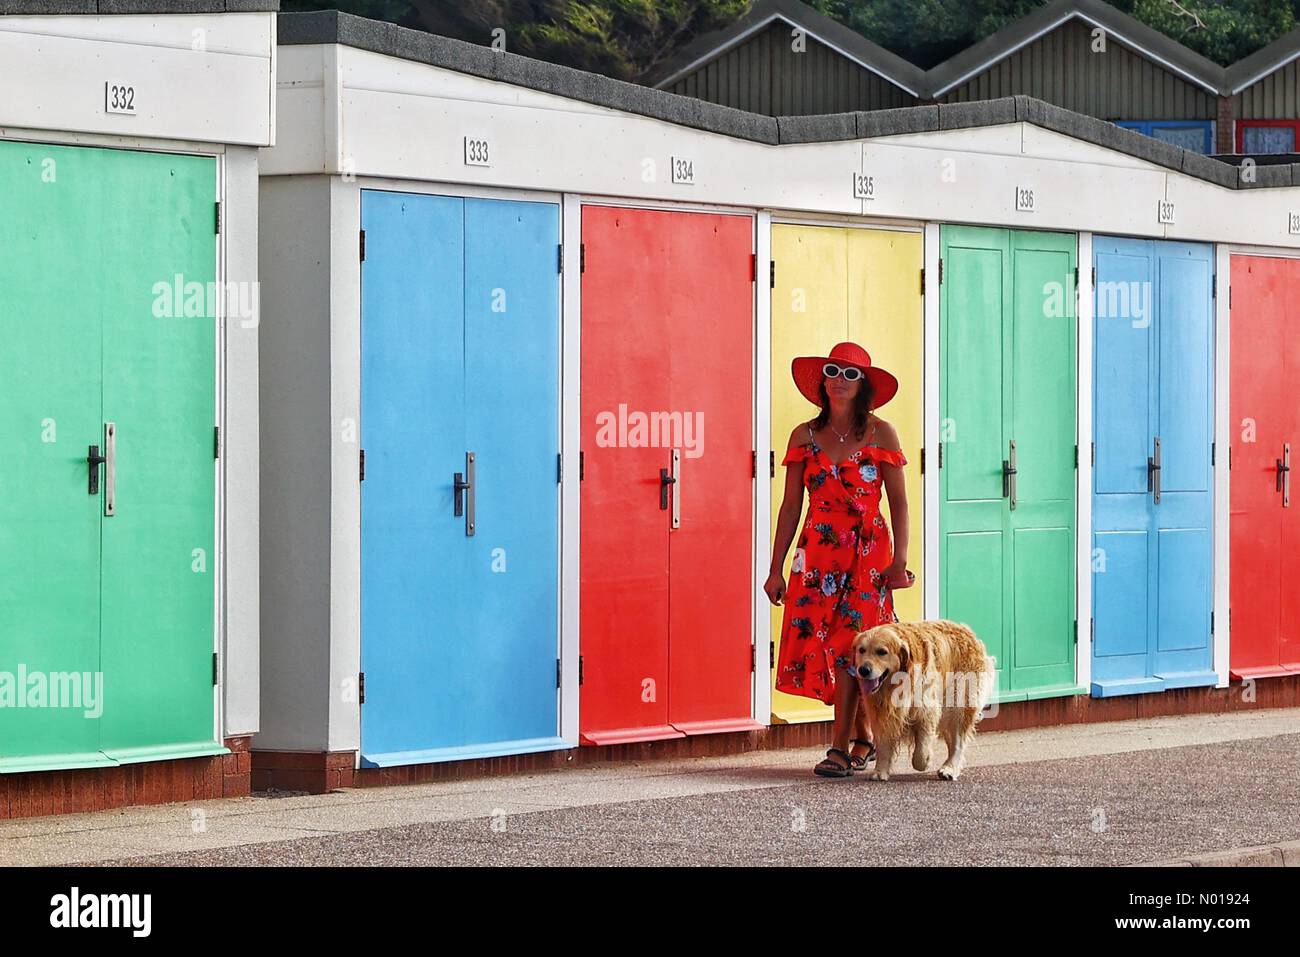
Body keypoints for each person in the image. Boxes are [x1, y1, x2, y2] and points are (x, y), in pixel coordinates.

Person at [764, 341, 912, 777]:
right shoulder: (802, 436)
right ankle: (865, 737)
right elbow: (790, 506)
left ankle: (838, 748)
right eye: (833, 371)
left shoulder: (882, 433)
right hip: (817, 555)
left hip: (868, 553)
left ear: (863, 384)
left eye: (851, 374)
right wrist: (775, 568)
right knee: (828, 646)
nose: (840, 380)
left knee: (855, 646)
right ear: (822, 381)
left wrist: (899, 561)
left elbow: (899, 502)